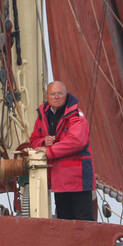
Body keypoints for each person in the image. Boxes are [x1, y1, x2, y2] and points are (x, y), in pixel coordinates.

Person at [25, 80, 95, 221]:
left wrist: (49, 151)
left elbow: (77, 141)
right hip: (59, 179)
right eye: (53, 94)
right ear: (47, 96)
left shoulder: (76, 116)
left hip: (78, 178)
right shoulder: (43, 115)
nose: (56, 97)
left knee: (83, 222)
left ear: (66, 94)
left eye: (60, 94)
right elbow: (33, 140)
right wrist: (44, 141)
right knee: (64, 221)